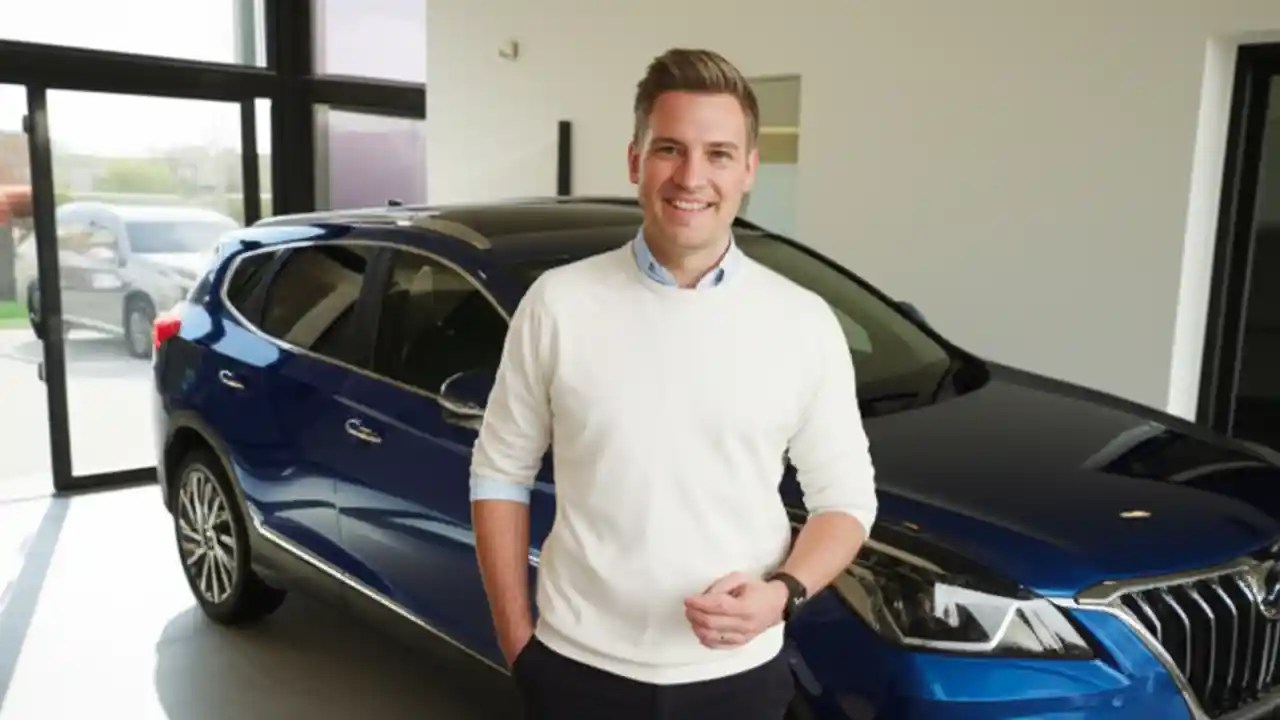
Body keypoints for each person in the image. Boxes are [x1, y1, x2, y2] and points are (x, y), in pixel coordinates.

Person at [469, 47, 878, 720]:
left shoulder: (803, 323)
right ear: (636, 161)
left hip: (738, 679)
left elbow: (846, 500)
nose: (692, 177)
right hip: (577, 672)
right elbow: (499, 472)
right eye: (669, 149)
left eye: (719, 154)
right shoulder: (559, 304)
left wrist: (784, 593)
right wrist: (519, 645)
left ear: (749, 169)